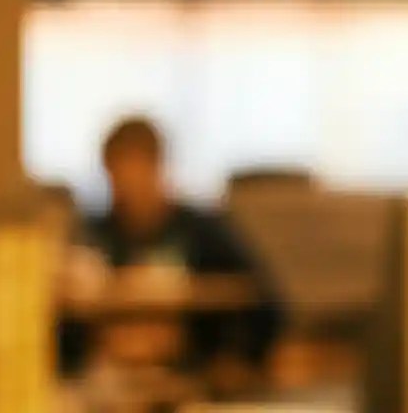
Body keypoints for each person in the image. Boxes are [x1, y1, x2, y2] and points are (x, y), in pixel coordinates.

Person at [61, 117, 282, 395]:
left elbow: (263, 297)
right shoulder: (93, 236)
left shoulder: (203, 231)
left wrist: (236, 361)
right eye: (117, 172)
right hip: (109, 381)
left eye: (137, 169)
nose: (128, 186)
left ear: (159, 166)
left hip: (192, 377)